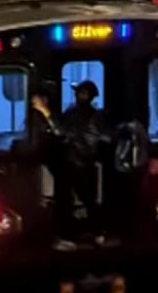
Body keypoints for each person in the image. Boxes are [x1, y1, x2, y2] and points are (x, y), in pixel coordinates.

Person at [31, 81, 112, 249]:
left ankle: (77, 234)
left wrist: (44, 110)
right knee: (86, 199)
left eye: (81, 93)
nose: (77, 95)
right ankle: (93, 232)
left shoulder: (86, 115)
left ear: (88, 96)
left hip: (78, 162)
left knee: (72, 199)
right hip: (79, 162)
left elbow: (62, 130)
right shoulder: (80, 112)